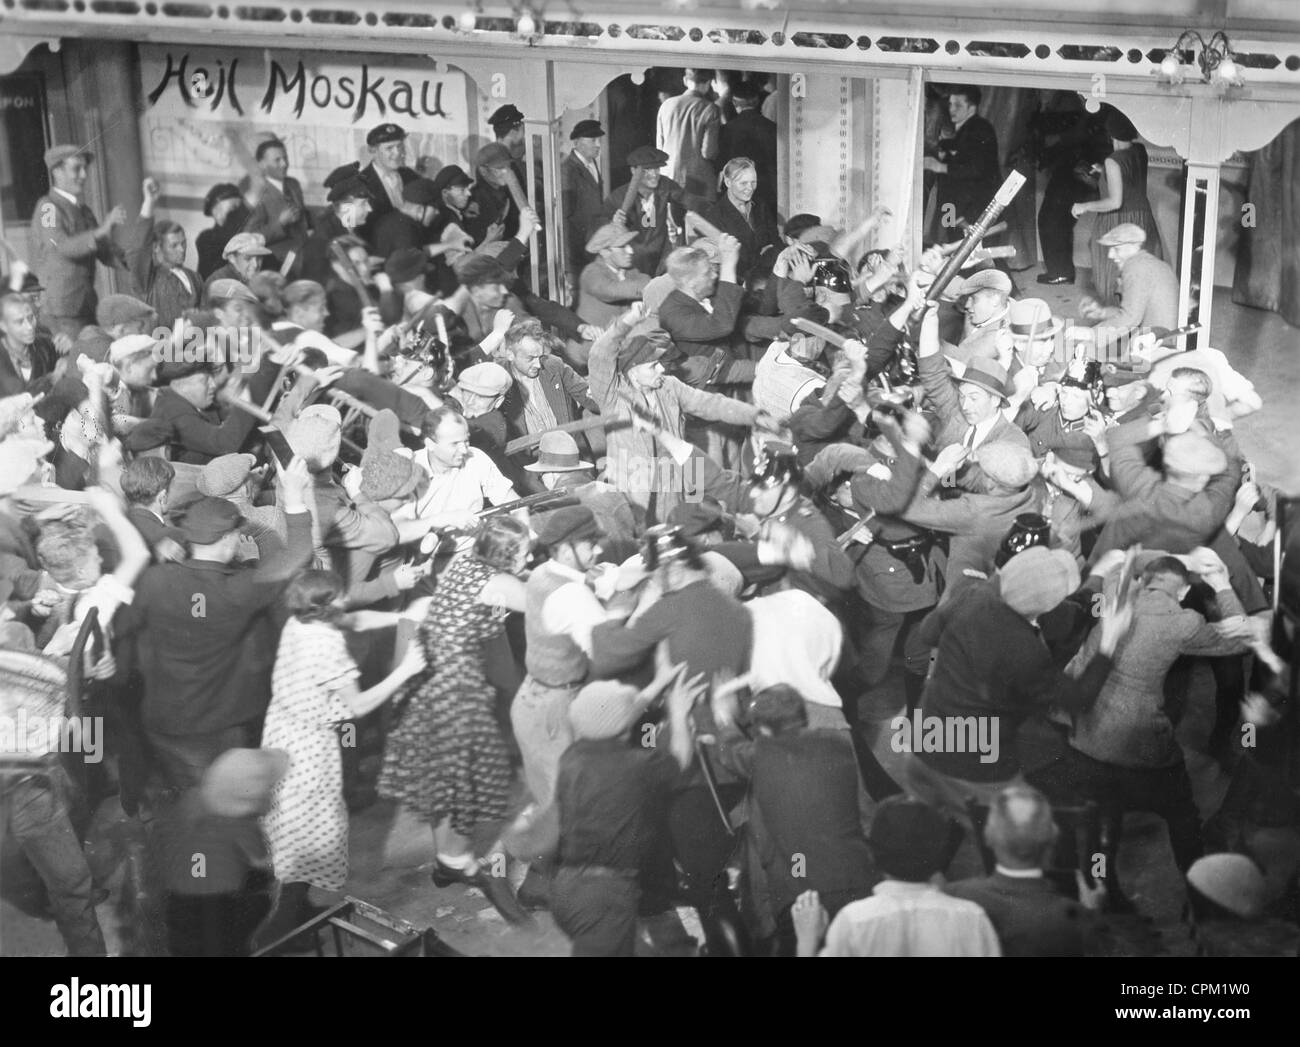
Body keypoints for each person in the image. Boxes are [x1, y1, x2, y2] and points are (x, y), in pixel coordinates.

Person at [115, 460, 315, 788]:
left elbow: (125, 629)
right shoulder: (241, 589)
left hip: (163, 719)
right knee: (223, 805)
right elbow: (297, 555)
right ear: (229, 539)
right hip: (218, 726)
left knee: (188, 797)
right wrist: (294, 495)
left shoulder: (153, 579)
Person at [255, 569, 426, 944]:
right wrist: (406, 672)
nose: (346, 599)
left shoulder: (298, 621)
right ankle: (282, 933)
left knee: (294, 832)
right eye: (339, 595)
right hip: (308, 749)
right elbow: (360, 703)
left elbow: (357, 619)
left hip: (283, 733)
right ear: (325, 605)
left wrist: (406, 617)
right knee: (310, 836)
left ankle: (297, 911)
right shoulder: (325, 644)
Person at [378, 515, 533, 925]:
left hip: (428, 689)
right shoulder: (500, 584)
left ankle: (450, 861)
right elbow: (550, 600)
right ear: (506, 554)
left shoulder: (465, 563)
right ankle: (463, 864)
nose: (530, 556)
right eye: (524, 551)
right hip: (452, 697)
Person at [550, 669, 701, 955]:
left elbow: (608, 716)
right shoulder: (637, 766)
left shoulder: (571, 757)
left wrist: (657, 683)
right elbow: (681, 760)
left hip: (567, 889)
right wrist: (679, 714)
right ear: (626, 727)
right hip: (604, 900)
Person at [717, 685, 874, 955]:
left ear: (763, 731)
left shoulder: (762, 755)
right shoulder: (839, 745)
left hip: (802, 898)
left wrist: (724, 718)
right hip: (858, 882)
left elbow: (730, 750)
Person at [793, 797, 1001, 957]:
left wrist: (808, 940)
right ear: (940, 854)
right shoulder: (973, 919)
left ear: (872, 854)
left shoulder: (853, 921)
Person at [945, 785, 1099, 955]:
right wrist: (1092, 912)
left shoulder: (954, 894)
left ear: (988, 836)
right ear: (1053, 838)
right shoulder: (1072, 918)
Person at [29, 144, 128, 339]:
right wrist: (103, 229)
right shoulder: (47, 207)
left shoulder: (85, 212)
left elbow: (106, 252)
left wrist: (137, 261)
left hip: (85, 305)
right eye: (76, 168)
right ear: (57, 171)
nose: (83, 175)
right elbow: (59, 245)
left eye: (85, 169)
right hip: (62, 311)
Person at [1073, 109, 1163, 306]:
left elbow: (1115, 202)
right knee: (1137, 271)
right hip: (1142, 218)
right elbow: (1128, 177)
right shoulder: (1140, 151)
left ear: (1110, 133)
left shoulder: (1112, 161)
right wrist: (1103, 171)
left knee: (1111, 272)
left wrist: (1084, 206)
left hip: (1118, 220)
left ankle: (1117, 318)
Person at [1079, 224, 1179, 344]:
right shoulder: (1151, 263)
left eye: (1116, 249)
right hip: (1164, 336)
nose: (1110, 255)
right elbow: (1134, 310)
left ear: (1134, 246)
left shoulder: (1135, 268)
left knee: (1083, 353)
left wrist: (1090, 333)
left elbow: (1130, 318)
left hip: (1154, 345)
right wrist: (1103, 312)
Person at [925, 86, 1001, 243]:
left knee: (976, 258)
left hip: (973, 211)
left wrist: (940, 166)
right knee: (955, 250)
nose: (952, 109)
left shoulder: (980, 128)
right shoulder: (963, 130)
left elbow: (977, 169)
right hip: (955, 210)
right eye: (951, 104)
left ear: (972, 107)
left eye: (958, 105)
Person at [127, 177, 201, 330]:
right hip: (163, 350)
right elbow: (137, 250)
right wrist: (149, 203)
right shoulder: (147, 280)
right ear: (157, 247)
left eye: (183, 243)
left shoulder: (195, 277)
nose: (182, 249)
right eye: (174, 245)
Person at [240, 138, 310, 269]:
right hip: (278, 262)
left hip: (304, 252)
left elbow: (304, 218)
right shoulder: (257, 194)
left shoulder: (293, 184)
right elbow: (249, 238)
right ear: (262, 164)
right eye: (277, 160)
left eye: (285, 158)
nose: (284, 164)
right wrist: (281, 223)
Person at [656, 68, 722, 200]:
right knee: (697, 220)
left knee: (672, 219)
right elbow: (708, 152)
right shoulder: (710, 109)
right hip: (698, 179)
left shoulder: (666, 105)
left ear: (685, 81)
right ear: (709, 83)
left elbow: (660, 147)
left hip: (668, 175)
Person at [562, 119, 607, 298]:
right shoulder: (568, 169)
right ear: (576, 143)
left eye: (599, 140)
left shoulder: (592, 163)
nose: (598, 145)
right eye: (593, 141)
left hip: (592, 239)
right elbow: (566, 214)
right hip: (578, 244)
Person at [355, 123, 421, 246]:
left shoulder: (410, 176)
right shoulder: (360, 184)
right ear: (373, 151)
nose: (398, 153)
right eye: (389, 148)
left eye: (400, 146)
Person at [577, 223, 651, 331]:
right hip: (592, 345)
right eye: (622, 247)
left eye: (630, 245)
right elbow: (611, 291)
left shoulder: (630, 271)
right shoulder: (591, 272)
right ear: (604, 252)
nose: (631, 251)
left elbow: (646, 280)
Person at [718, 80, 777, 212]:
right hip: (767, 188)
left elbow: (721, 162)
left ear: (734, 103)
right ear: (757, 102)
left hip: (737, 187)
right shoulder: (772, 128)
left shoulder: (727, 129)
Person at [0, 292, 59, 396]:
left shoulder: (47, 345)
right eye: (19, 322)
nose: (29, 327)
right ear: (3, 326)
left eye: (31, 318)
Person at [196, 183, 251, 280]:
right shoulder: (206, 238)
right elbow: (229, 235)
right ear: (216, 211)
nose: (238, 214)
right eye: (234, 208)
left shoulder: (246, 232)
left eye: (239, 208)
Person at [203, 232, 271, 302]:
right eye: (248, 258)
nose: (255, 264)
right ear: (232, 258)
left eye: (259, 258)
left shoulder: (261, 279)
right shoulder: (219, 282)